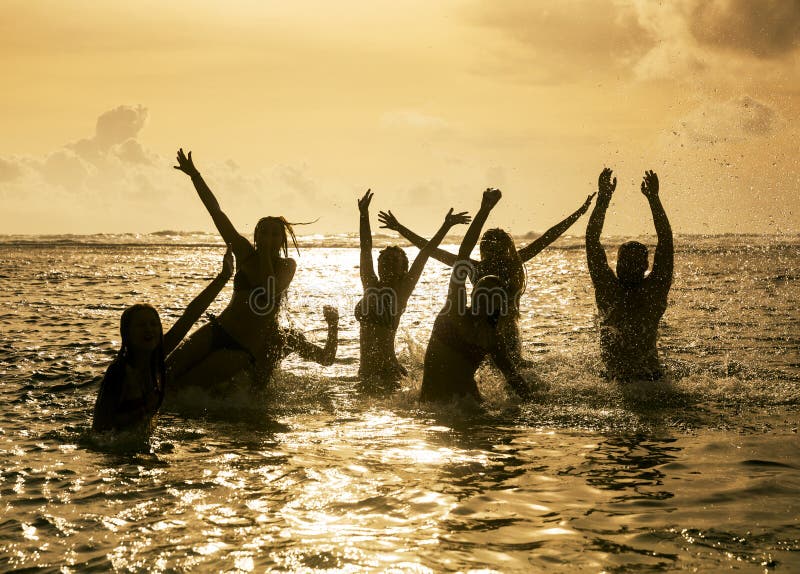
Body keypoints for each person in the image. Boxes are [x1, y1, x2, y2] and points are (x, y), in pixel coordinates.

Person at [379, 191, 594, 367]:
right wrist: (400, 229)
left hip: (507, 332)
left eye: (496, 247)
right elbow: (432, 251)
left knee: (511, 369)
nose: (491, 251)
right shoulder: (476, 268)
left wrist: (580, 213)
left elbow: (548, 237)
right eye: (488, 246)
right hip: (480, 332)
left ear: (505, 249)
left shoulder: (512, 265)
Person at [168, 149, 302, 388]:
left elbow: (269, 289)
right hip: (218, 329)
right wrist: (195, 175)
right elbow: (216, 213)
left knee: (187, 385)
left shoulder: (287, 266)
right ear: (256, 235)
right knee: (167, 374)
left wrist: (264, 255)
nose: (268, 237)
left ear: (282, 240)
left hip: (243, 347)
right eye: (264, 232)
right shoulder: (244, 251)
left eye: (274, 234)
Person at [92, 249, 233, 432]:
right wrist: (139, 412)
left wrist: (223, 277)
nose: (149, 329)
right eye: (141, 325)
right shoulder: (119, 372)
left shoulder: (155, 360)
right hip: (119, 455)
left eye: (153, 324)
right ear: (127, 333)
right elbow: (98, 429)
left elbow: (189, 317)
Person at [420, 189, 529, 403]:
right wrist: (484, 210)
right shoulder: (454, 310)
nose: (485, 298)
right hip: (441, 406)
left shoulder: (493, 340)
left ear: (499, 305)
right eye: (481, 292)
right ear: (472, 294)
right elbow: (463, 256)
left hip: (467, 407)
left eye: (491, 296)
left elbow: (516, 382)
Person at [356, 189, 470, 390]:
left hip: (387, 372)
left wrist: (446, 225)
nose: (386, 264)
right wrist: (363, 214)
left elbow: (425, 253)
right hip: (365, 371)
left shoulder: (403, 289)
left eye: (393, 261)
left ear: (404, 269)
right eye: (384, 260)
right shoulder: (370, 284)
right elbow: (365, 248)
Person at [585, 168, 674, 380]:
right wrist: (653, 199)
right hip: (651, 380)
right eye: (627, 261)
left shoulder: (609, 289)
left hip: (615, 380)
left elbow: (591, 240)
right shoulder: (654, 289)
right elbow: (665, 240)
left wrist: (604, 200)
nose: (629, 266)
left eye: (632, 262)